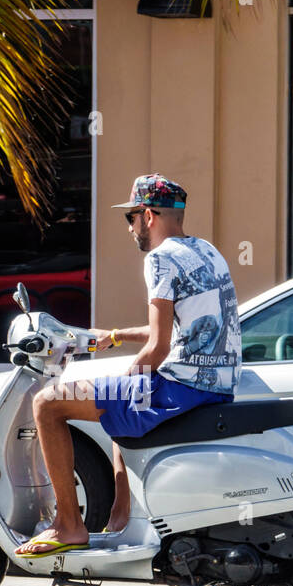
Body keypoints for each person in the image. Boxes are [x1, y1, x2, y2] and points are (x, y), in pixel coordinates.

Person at [15, 173, 242, 558]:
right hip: (215, 383)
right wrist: (116, 335)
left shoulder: (160, 258)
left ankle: (69, 525)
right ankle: (120, 520)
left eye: (131, 217)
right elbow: (179, 328)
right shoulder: (206, 251)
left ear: (149, 215)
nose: (130, 227)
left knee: (49, 403)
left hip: (183, 387)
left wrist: (126, 377)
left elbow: (158, 346)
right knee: (120, 404)